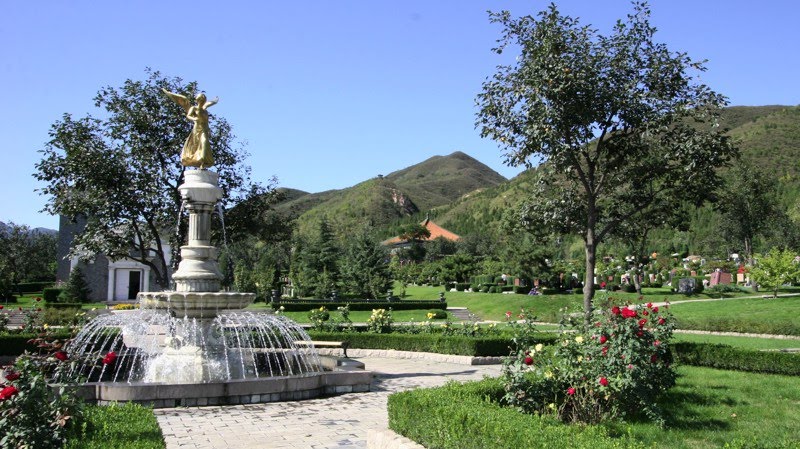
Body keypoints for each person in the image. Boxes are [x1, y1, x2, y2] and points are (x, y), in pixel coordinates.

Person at [162, 89, 219, 168]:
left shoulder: (205, 111)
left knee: (204, 142)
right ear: (198, 100)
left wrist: (208, 129)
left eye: (203, 100)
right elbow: (188, 116)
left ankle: (202, 161)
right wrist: (194, 119)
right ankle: (197, 159)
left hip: (204, 129)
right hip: (197, 129)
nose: (202, 101)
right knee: (196, 145)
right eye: (201, 100)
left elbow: (206, 121)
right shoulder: (194, 108)